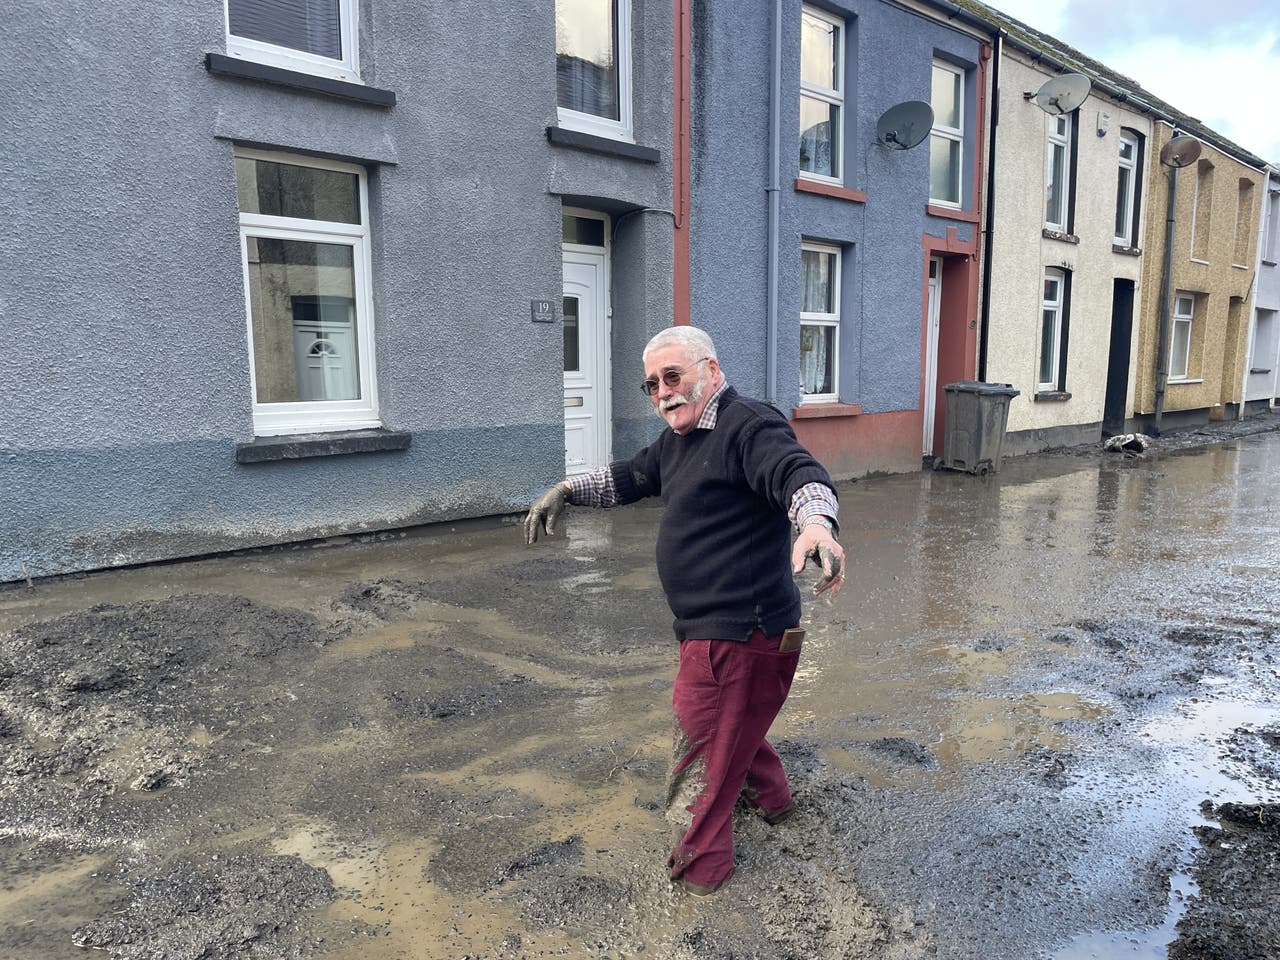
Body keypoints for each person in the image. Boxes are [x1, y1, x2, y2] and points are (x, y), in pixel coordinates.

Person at [524, 325, 844, 896]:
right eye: (652, 384)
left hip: (739, 635)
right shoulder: (678, 442)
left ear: (711, 371)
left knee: (700, 755)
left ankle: (699, 876)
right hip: (730, 635)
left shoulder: (748, 425)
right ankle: (772, 802)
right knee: (733, 724)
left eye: (673, 376)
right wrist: (567, 490)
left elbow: (798, 473)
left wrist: (817, 526)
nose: (663, 392)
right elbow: (630, 477)